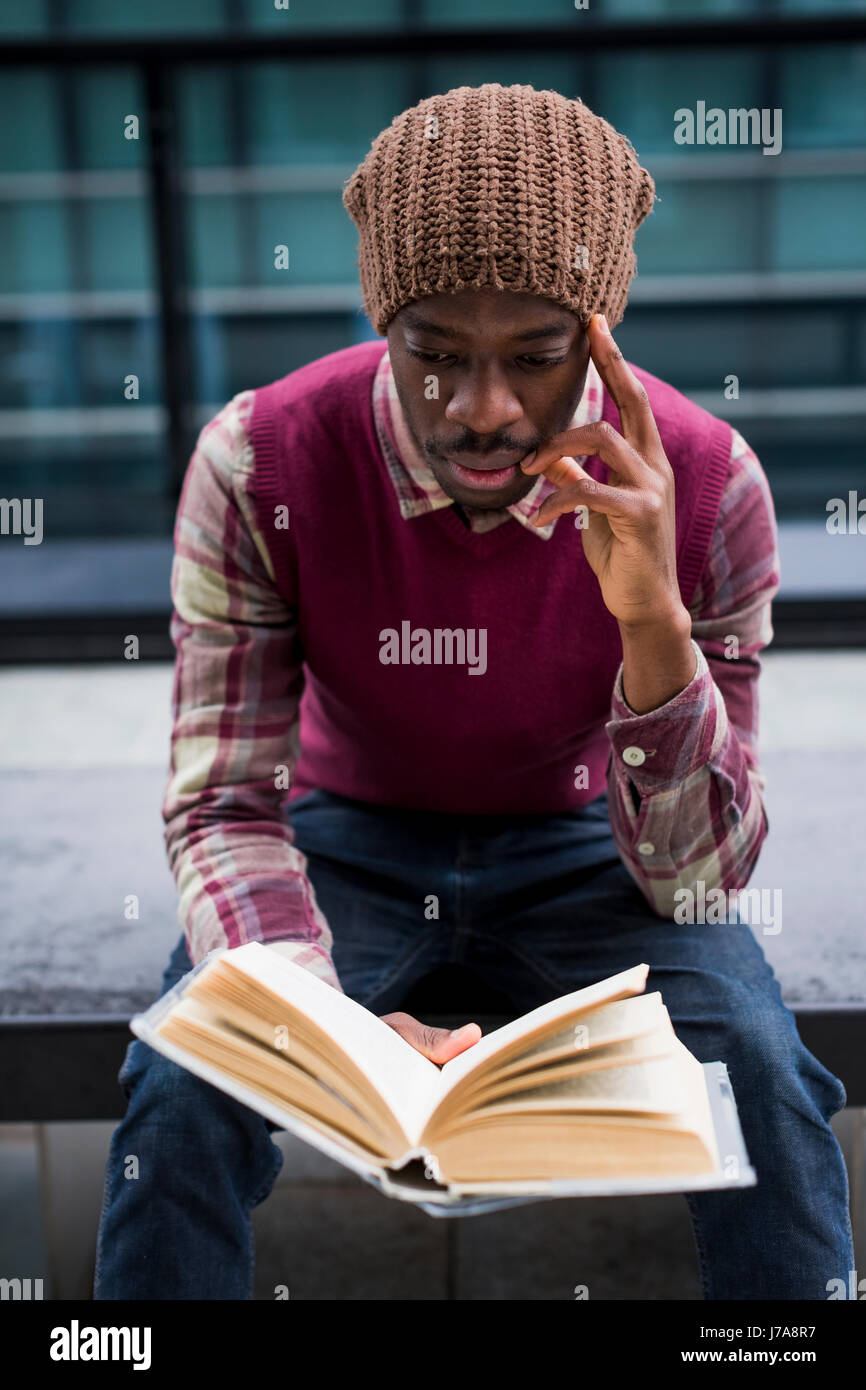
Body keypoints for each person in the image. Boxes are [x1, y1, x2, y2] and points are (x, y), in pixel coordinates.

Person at [94, 83, 852, 1301]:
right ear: (380, 323)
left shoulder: (709, 487)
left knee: (761, 1070)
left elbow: (699, 885)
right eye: (433, 354)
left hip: (590, 846)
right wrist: (322, 1022)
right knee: (186, 1087)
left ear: (602, 336)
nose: (481, 411)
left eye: (538, 357)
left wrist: (650, 621)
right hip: (347, 838)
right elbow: (226, 803)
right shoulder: (257, 462)